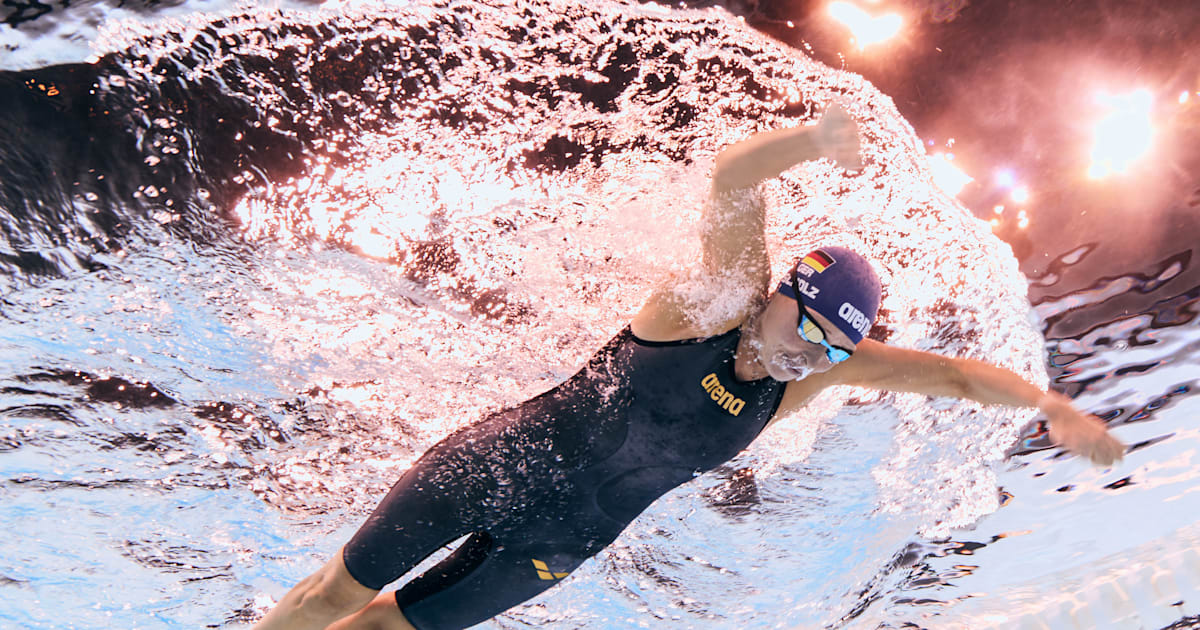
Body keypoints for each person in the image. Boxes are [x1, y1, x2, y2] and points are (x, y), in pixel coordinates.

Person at [251, 106, 1125, 630]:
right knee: (334, 594)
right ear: (783, 290)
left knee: (398, 629)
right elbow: (734, 177)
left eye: (833, 348)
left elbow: (957, 378)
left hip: (563, 545)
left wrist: (1054, 404)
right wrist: (812, 141)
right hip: (495, 469)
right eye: (807, 325)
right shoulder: (712, 305)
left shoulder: (805, 379)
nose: (809, 351)